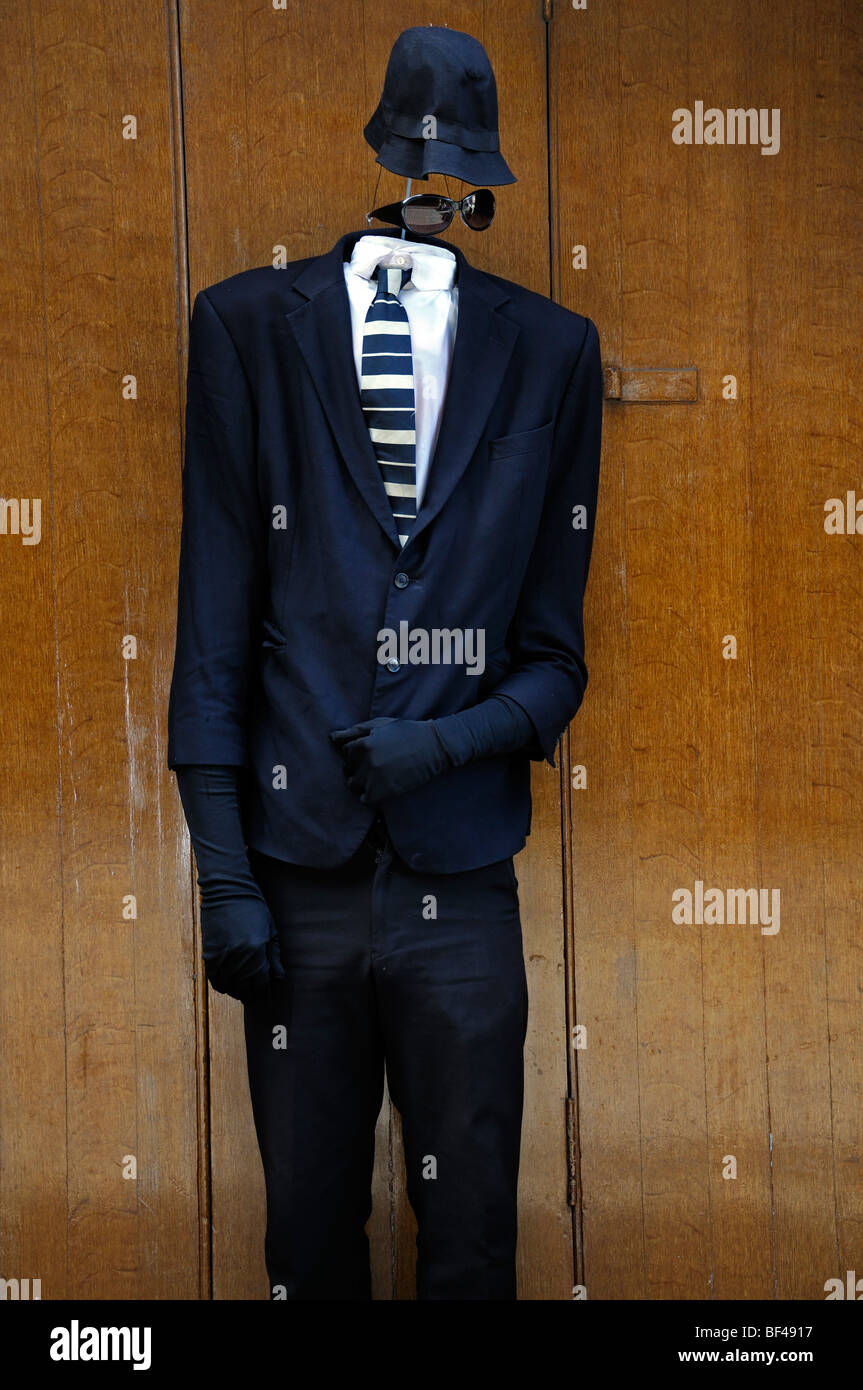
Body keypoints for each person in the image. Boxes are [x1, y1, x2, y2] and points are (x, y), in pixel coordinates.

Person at [167, 26, 603, 1300]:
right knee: (305, 1238)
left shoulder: (547, 351)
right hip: (292, 884)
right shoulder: (248, 327)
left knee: (469, 1237)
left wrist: (447, 741)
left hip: (462, 884)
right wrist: (224, 880)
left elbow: (553, 663)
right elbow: (210, 640)